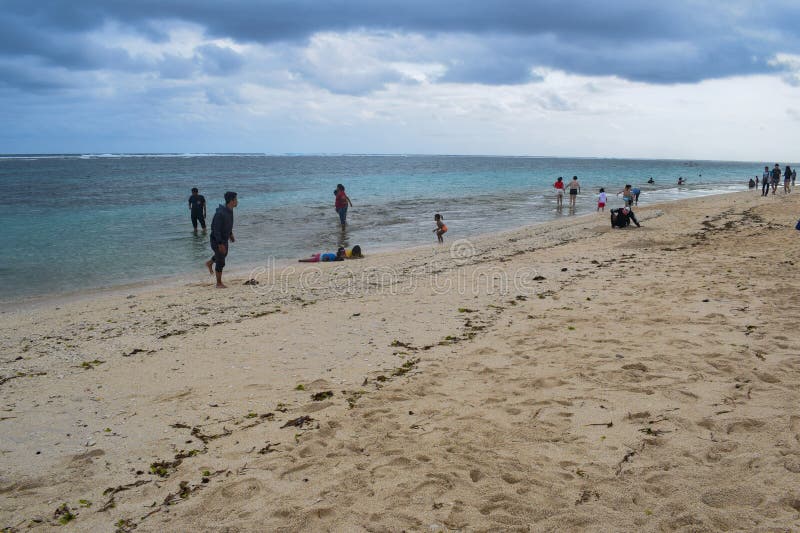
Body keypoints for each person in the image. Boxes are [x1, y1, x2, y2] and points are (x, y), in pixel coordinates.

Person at [205, 191, 237, 289]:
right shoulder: (220, 213)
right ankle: (219, 283)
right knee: (221, 261)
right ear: (231, 201)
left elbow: (228, 224)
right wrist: (219, 243)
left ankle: (209, 263)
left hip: (224, 239)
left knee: (223, 255)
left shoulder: (230, 210)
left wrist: (230, 234)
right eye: (236, 199)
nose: (237, 201)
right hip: (217, 240)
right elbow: (215, 229)